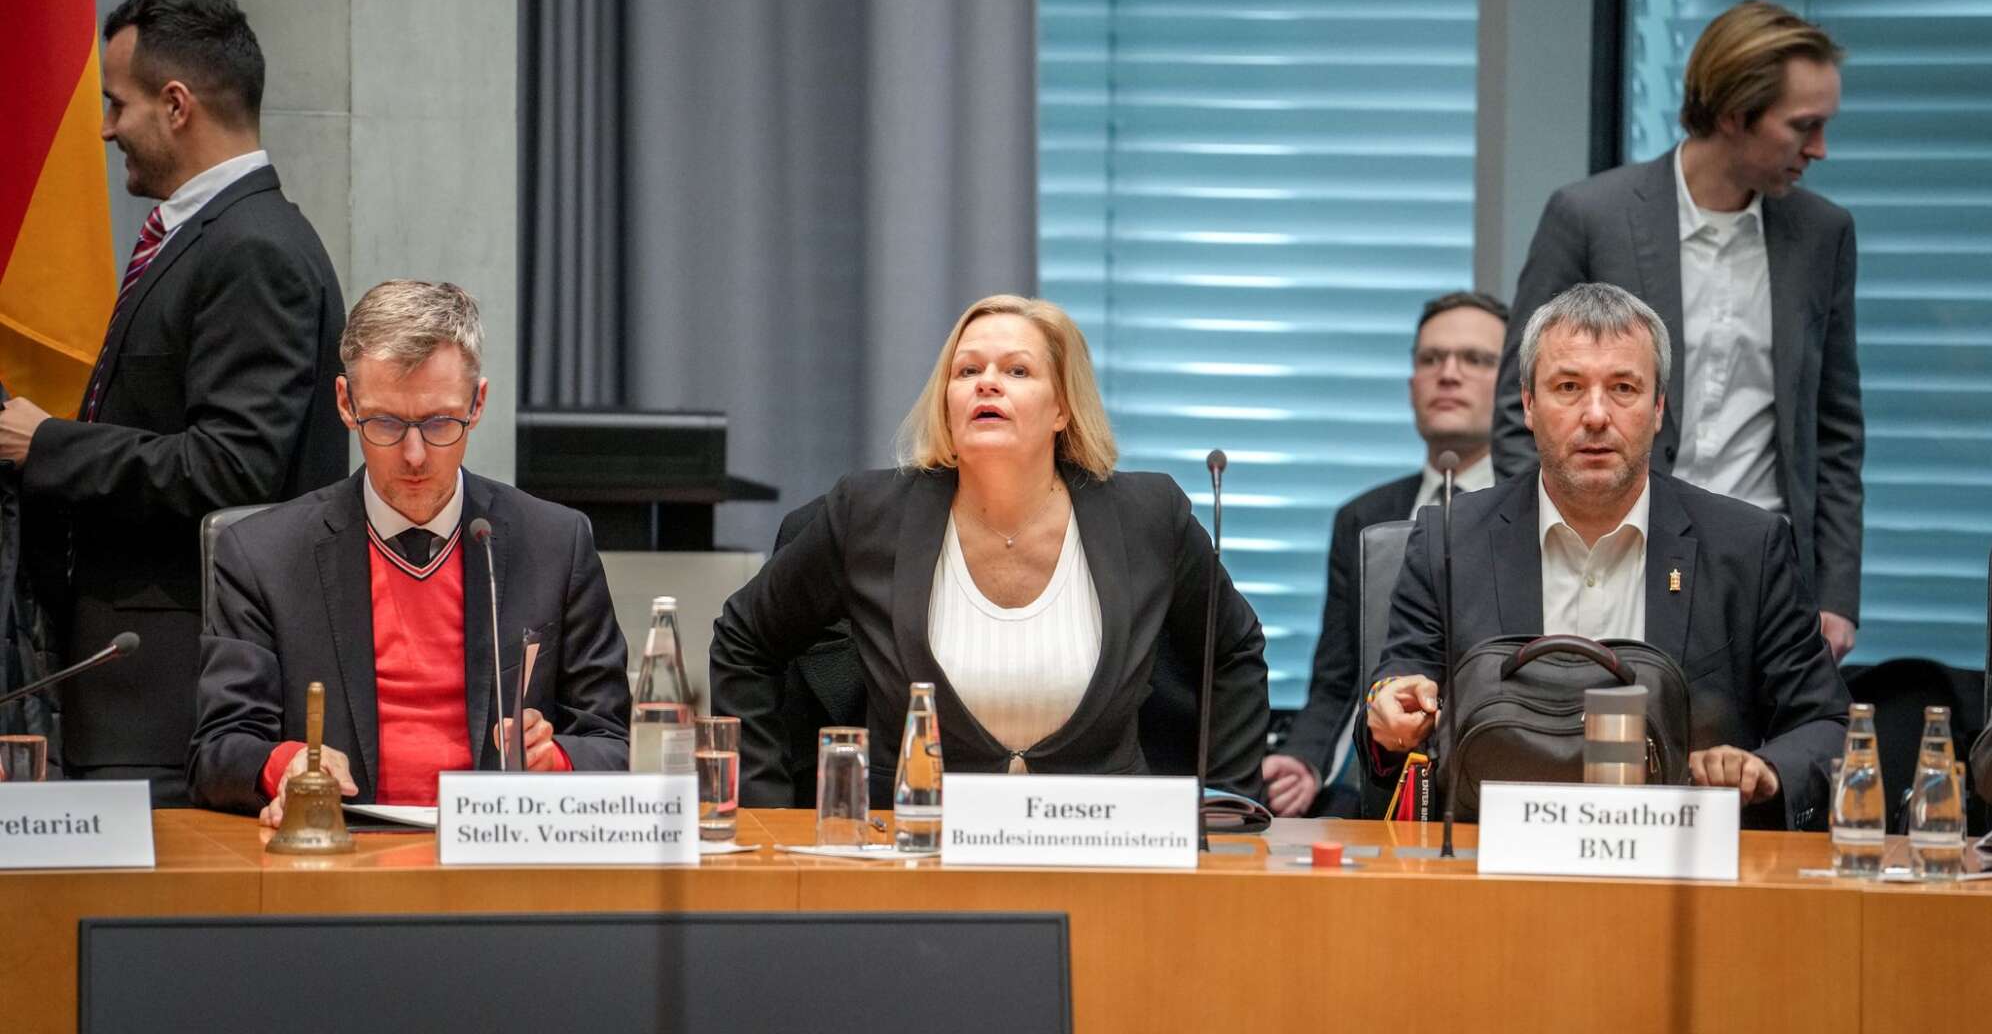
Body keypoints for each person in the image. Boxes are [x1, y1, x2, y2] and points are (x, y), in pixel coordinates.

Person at [710, 295, 1269, 806]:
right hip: (916, 849)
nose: (987, 384)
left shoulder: (1148, 516)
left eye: (1017, 370)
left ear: (1061, 410)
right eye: (967, 371)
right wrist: (766, 813)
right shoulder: (869, 514)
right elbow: (744, 639)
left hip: (1103, 847)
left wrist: (1226, 807)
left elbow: (1235, 649)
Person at [0, 0, 345, 803]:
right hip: (128, 687)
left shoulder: (254, 249)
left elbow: (234, 469)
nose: (107, 127)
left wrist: (45, 445)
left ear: (177, 104)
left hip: (172, 696)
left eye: (117, 104)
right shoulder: (209, 237)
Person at [1368, 283, 1850, 830]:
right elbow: (1394, 704)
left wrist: (1763, 769)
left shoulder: (1746, 547)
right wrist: (1390, 717)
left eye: (1623, 388)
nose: (1596, 415)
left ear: (1659, 406)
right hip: (1495, 868)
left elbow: (1827, 726)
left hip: (1683, 866)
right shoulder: (1450, 539)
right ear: (1528, 404)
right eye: (1568, 387)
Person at [1493, 0, 1863, 662]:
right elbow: (1517, 405)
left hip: (1762, 573)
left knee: (1751, 765)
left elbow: (1835, 431)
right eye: (1802, 126)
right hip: (1615, 556)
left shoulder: (1823, 234)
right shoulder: (1590, 216)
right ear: (1733, 115)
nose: (1820, 149)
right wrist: (1540, 562)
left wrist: (1835, 592)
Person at [188, 281, 630, 824]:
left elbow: (615, 741)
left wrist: (556, 759)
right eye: (387, 423)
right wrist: (287, 765)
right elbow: (219, 750)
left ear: (478, 403)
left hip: (500, 854)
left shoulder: (555, 542)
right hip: (341, 850)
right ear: (347, 404)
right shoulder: (263, 553)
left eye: (441, 422)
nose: (415, 455)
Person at [1264, 291, 1507, 817]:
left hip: (1499, 778)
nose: (1448, 373)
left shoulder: (1538, 511)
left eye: (1475, 359)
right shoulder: (1364, 518)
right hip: (1379, 774)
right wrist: (1302, 761)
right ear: (1411, 386)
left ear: (1514, 389)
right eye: (1430, 359)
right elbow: (1336, 683)